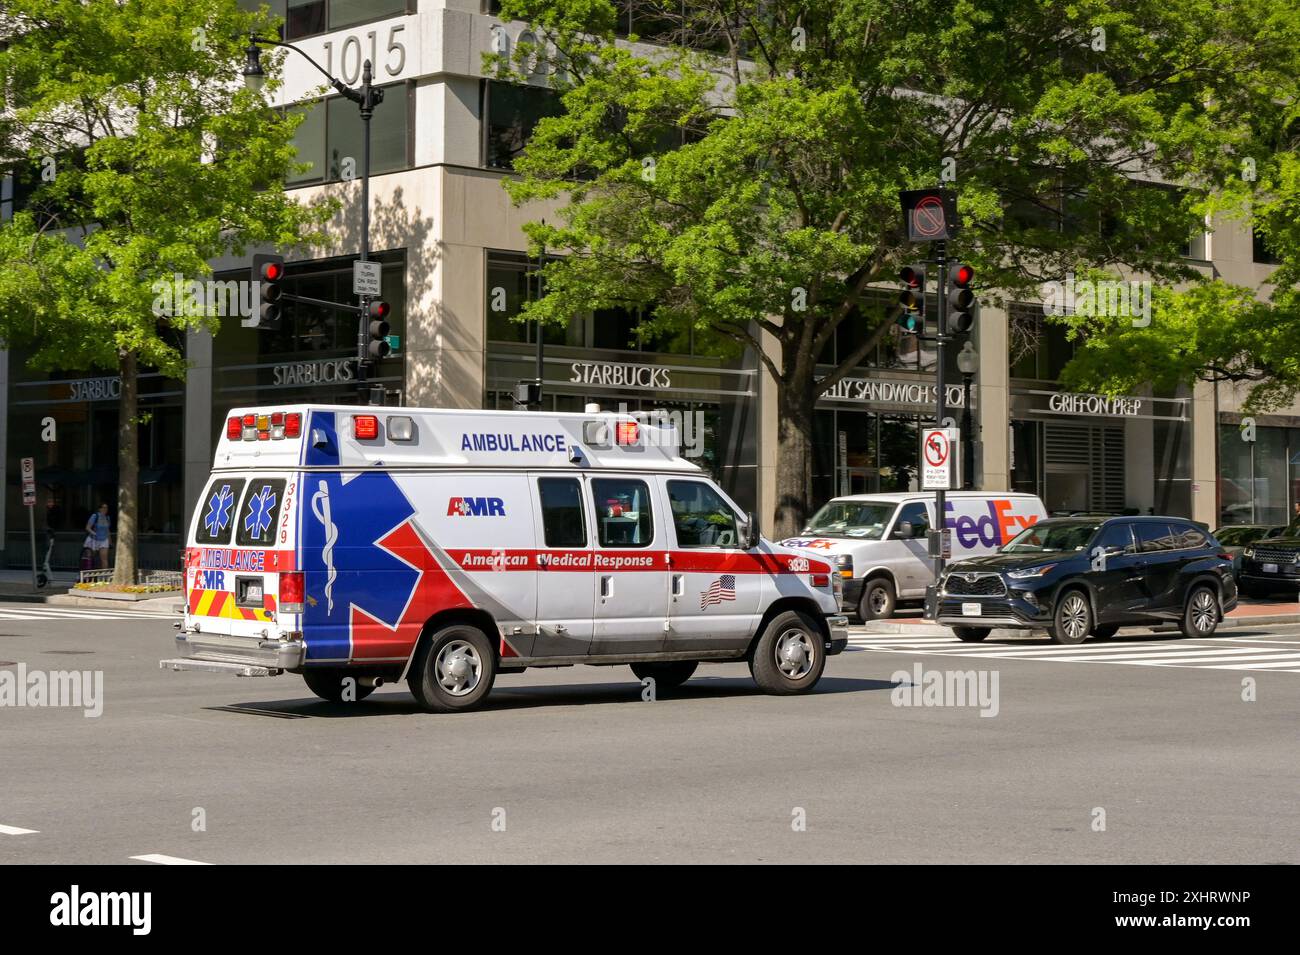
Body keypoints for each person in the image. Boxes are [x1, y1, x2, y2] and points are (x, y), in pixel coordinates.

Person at [84, 503, 111, 570]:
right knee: (89, 558)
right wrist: (94, 533)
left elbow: (107, 530)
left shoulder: (107, 518)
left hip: (104, 540)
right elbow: (87, 527)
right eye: (103, 507)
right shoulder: (95, 516)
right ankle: (87, 576)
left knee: (104, 559)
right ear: (100, 509)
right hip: (93, 539)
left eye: (106, 508)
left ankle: (104, 577)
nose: (105, 509)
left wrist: (110, 540)